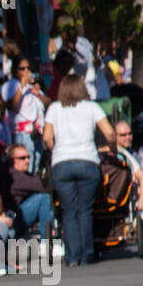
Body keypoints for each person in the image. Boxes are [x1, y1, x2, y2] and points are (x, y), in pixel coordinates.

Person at [44, 74, 114, 266]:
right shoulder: (91, 107)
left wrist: (56, 150)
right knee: (85, 209)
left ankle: (72, 256)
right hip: (87, 160)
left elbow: (47, 137)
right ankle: (87, 254)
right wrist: (113, 149)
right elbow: (109, 132)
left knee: (68, 211)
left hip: (62, 162)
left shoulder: (54, 108)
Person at [3, 54, 49, 172]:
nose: (26, 71)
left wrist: (37, 93)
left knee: (35, 168)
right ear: (14, 70)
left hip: (36, 134)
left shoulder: (31, 86)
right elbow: (12, 106)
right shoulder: (11, 85)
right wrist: (21, 86)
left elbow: (49, 103)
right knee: (25, 169)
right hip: (22, 134)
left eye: (28, 68)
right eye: (22, 68)